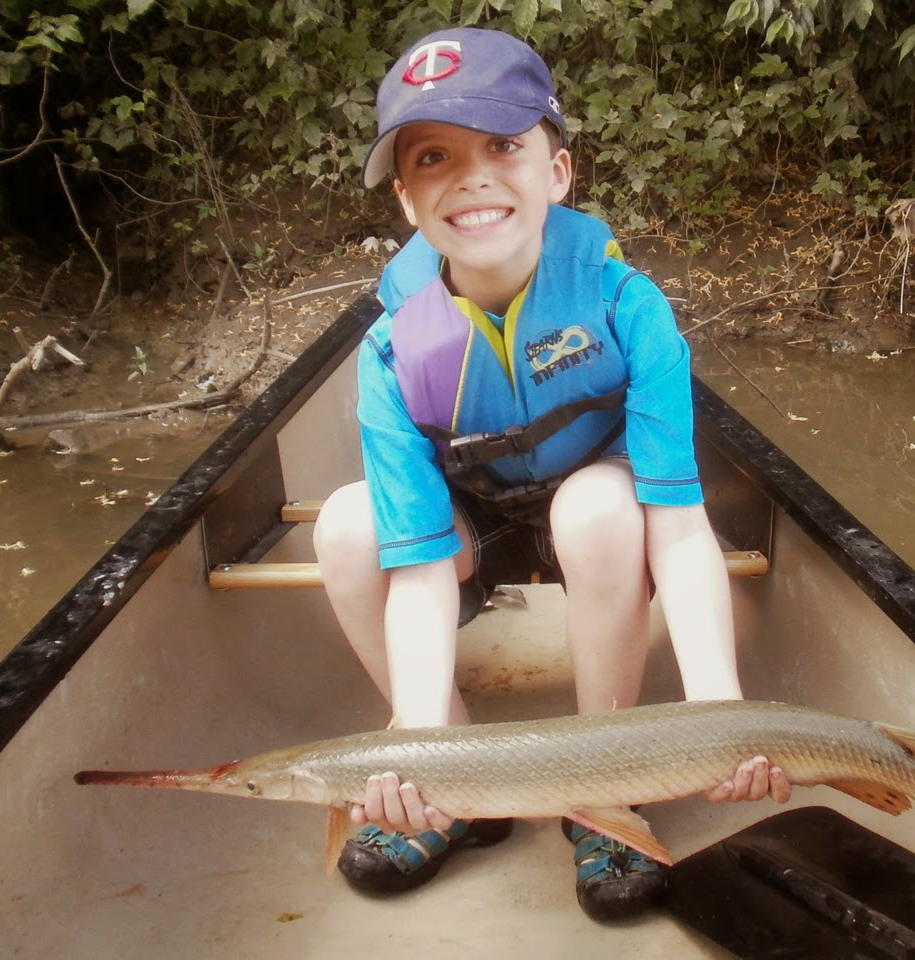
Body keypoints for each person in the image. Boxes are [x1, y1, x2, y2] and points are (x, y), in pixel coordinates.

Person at [313, 25, 790, 920]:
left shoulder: (629, 305)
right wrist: (414, 743)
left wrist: (722, 709)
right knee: (345, 527)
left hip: (591, 517)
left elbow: (680, 529)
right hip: (468, 529)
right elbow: (417, 571)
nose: (474, 176)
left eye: (504, 146)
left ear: (557, 173)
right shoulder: (389, 349)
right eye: (433, 157)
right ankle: (444, 779)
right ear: (409, 203)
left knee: (605, 510)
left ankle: (606, 777)